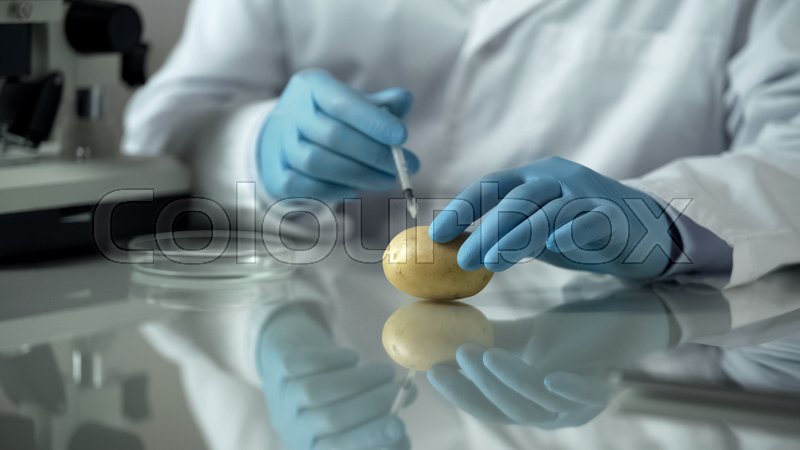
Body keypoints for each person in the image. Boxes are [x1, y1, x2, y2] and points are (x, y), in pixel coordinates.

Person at [123, 0, 800, 448]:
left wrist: (668, 215)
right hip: (320, 321)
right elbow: (166, 128)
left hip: (640, 383)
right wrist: (255, 147)